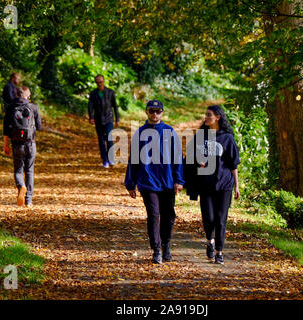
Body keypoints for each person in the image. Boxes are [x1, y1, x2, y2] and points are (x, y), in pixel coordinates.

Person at [125, 100, 184, 264]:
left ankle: (166, 244)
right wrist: (130, 183)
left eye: (158, 111)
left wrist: (179, 180)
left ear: (162, 113)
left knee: (168, 215)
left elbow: (177, 157)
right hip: (147, 181)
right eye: (152, 111)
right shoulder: (140, 133)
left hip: (167, 181)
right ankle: (156, 249)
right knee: (153, 214)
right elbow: (134, 159)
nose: (155, 114)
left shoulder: (169, 132)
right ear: (146, 112)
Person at [183, 105, 240, 265]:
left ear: (218, 117)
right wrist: (197, 162)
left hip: (224, 184)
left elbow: (233, 163)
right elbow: (189, 157)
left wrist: (237, 185)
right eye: (206, 115)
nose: (206, 118)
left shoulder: (227, 138)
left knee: (221, 220)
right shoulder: (201, 136)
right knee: (208, 218)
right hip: (205, 184)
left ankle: (219, 252)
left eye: (209, 115)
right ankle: (210, 241)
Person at [3, 86, 42, 207]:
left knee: (18, 170)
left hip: (16, 144)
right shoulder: (33, 107)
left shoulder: (10, 107)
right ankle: (29, 200)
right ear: (28, 96)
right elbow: (39, 127)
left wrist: (6, 145)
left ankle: (21, 186)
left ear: (17, 95)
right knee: (29, 171)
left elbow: (5, 129)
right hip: (30, 143)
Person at [88, 74, 119, 168]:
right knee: (101, 140)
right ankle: (105, 159)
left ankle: (111, 158)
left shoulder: (110, 92)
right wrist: (91, 117)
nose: (99, 84)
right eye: (97, 82)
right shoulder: (93, 94)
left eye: (101, 82)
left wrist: (117, 119)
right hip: (98, 119)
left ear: (104, 81)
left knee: (109, 139)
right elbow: (90, 106)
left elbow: (115, 106)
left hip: (109, 119)